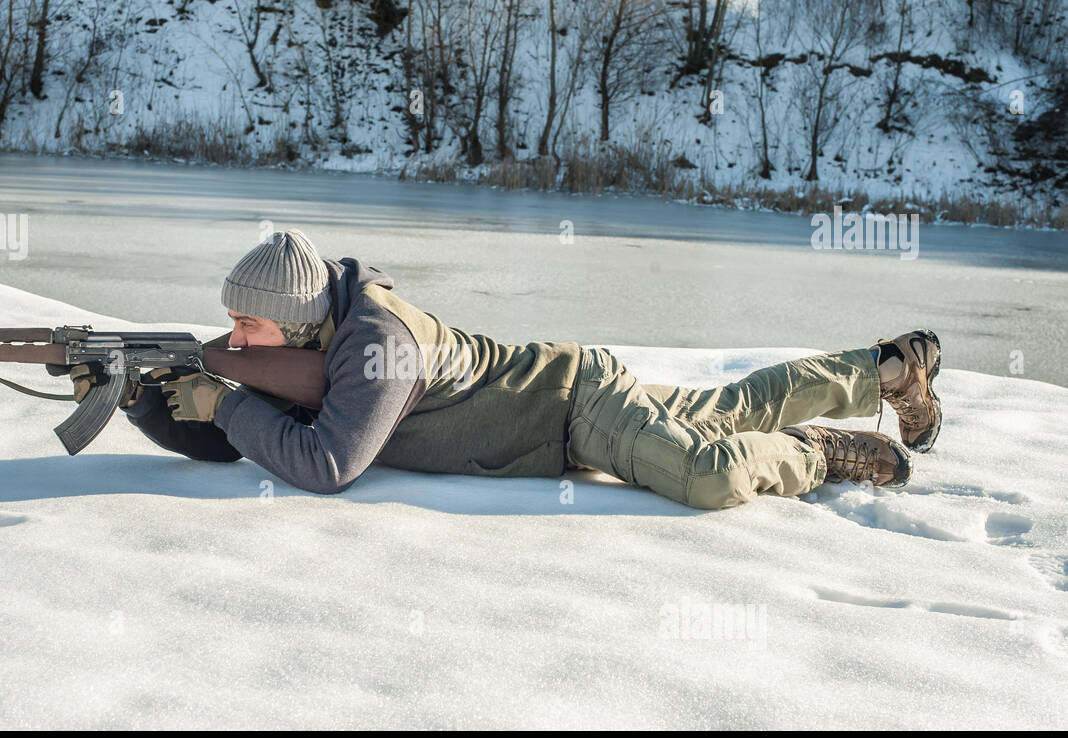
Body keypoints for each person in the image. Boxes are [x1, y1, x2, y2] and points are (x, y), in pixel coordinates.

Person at [70, 229, 941, 510]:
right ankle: (888, 371)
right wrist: (143, 401)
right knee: (724, 406)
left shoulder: (379, 345)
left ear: (295, 321)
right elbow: (247, 443)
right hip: (560, 396)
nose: (233, 335)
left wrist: (221, 402)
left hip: (568, 406)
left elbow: (327, 465)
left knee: (707, 471)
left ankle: (824, 451)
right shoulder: (312, 340)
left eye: (245, 322)